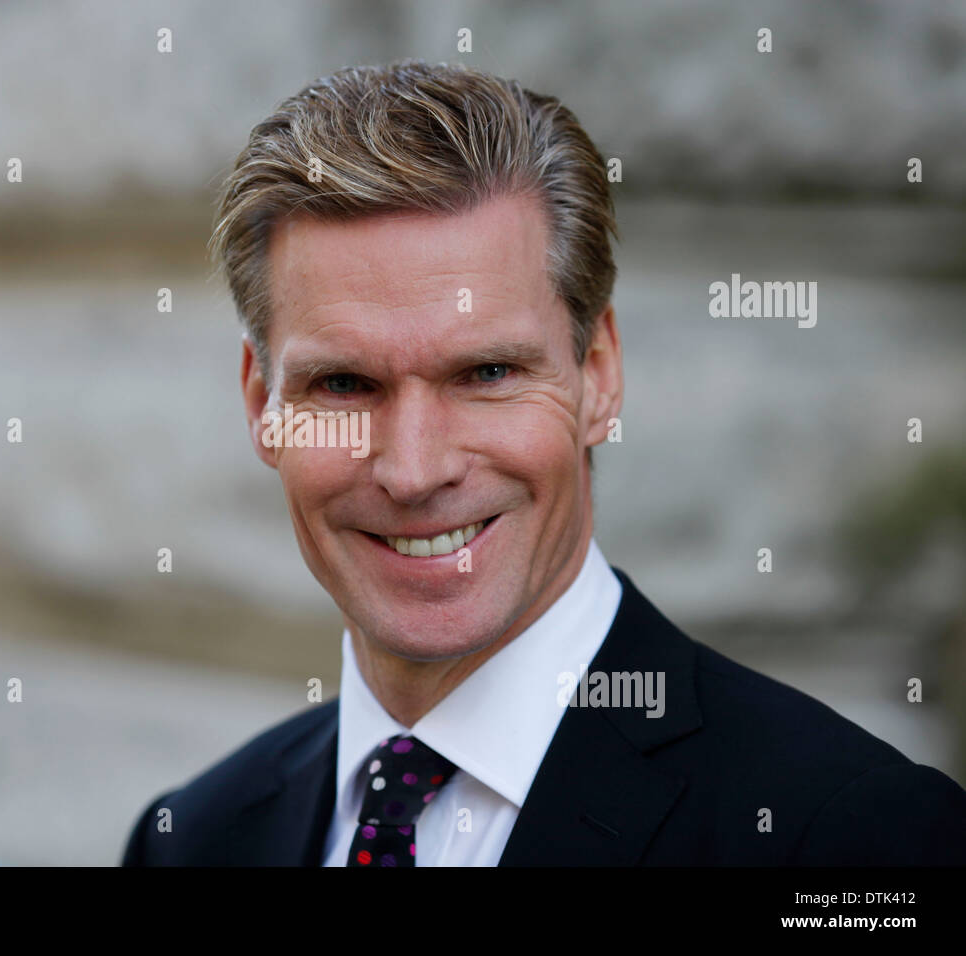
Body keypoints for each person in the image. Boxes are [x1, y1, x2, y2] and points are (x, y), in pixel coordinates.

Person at [122, 60, 966, 866]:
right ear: (260, 404)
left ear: (597, 375)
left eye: (487, 374)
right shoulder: (191, 843)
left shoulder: (852, 839)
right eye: (344, 383)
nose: (414, 471)